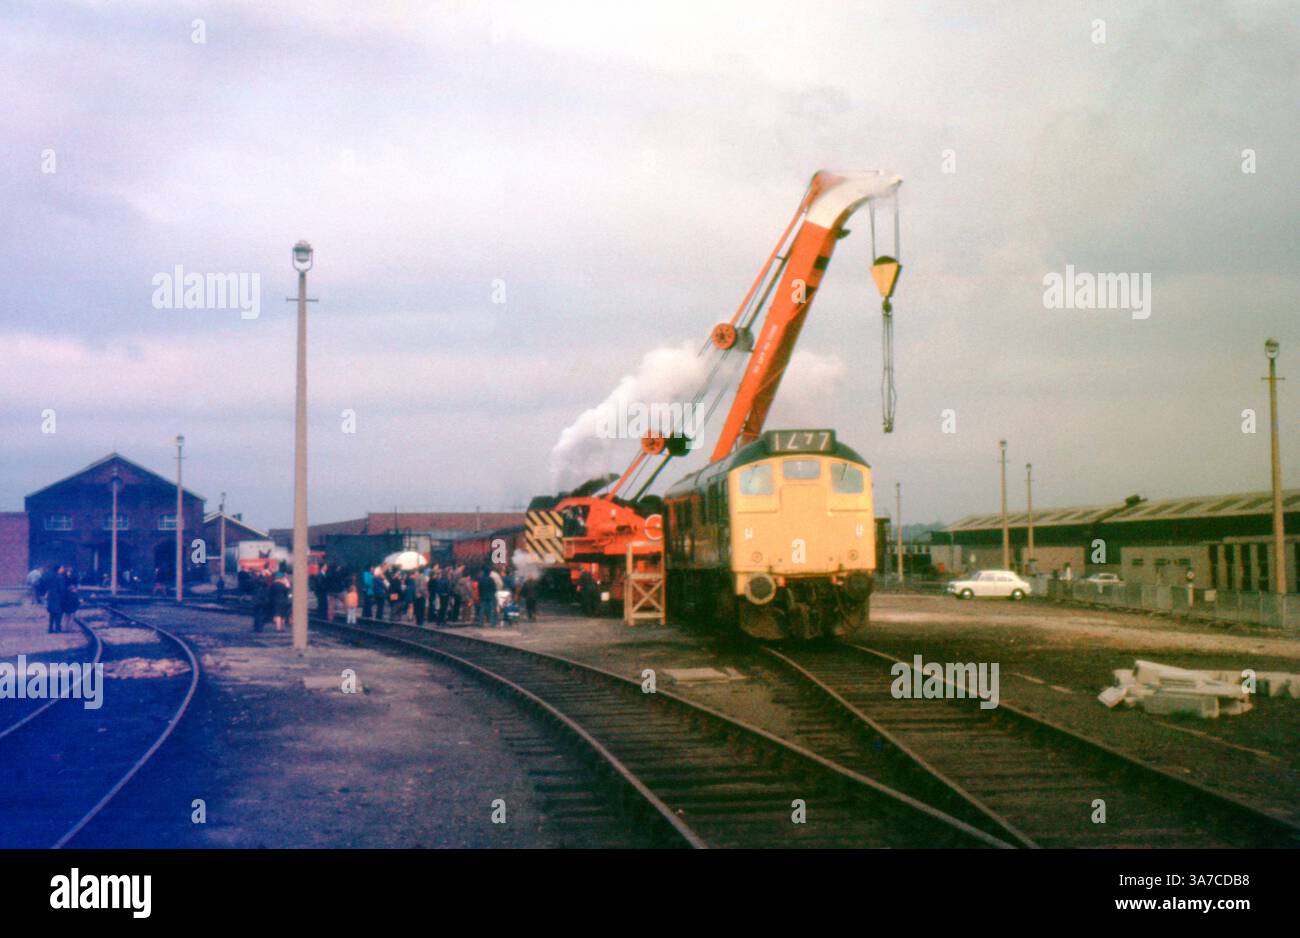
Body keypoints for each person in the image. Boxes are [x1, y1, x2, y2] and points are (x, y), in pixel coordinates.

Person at [45, 565, 66, 633]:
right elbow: (61, 588)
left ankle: (50, 628)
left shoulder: (50, 576)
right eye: (61, 568)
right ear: (58, 569)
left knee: (52, 614)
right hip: (58, 598)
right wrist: (64, 597)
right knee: (58, 614)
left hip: (51, 597)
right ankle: (58, 629)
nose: (63, 569)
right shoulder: (60, 577)